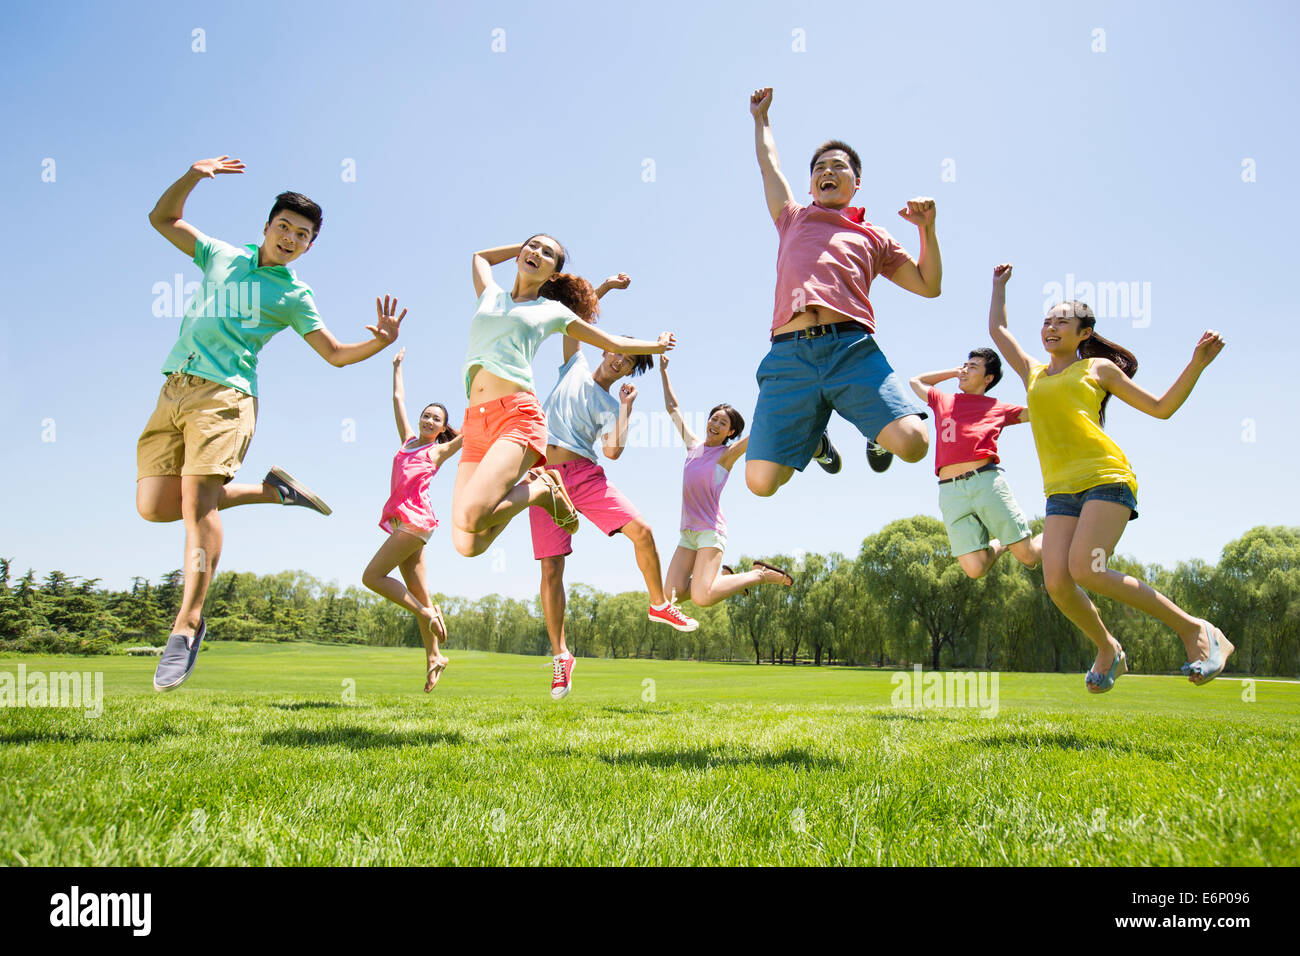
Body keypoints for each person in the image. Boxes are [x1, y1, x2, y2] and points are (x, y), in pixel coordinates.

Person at [138, 155, 405, 692]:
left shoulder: (293, 296)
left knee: (196, 506)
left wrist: (379, 341)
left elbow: (332, 353)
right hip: (173, 391)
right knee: (155, 507)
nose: (290, 237)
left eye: (302, 234)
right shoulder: (221, 255)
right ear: (266, 227)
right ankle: (270, 490)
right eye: (283, 226)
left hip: (227, 397)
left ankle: (187, 623)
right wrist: (194, 176)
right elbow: (162, 219)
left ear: (309, 247)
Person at [988, 263, 1229, 692]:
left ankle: (1196, 630)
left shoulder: (1097, 369)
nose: (1051, 327)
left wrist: (1197, 364)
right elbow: (998, 329)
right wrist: (998, 286)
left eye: (1063, 321)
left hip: (1106, 477)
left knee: (1087, 568)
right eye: (1047, 321)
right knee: (1058, 581)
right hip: (1060, 492)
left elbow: (1161, 408)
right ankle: (1108, 648)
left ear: (1084, 333)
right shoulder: (1033, 372)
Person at [745, 87, 942, 497]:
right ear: (812, 182)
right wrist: (761, 119)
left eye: (838, 166)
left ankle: (876, 431)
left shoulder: (874, 236)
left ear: (856, 181)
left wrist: (926, 229)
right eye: (819, 167)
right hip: (790, 357)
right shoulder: (793, 217)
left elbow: (929, 286)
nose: (827, 171)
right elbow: (769, 165)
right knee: (761, 484)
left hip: (850, 352)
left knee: (914, 443)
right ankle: (816, 440)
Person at [452, 235, 674, 561]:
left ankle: (542, 491)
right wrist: (522, 248)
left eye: (548, 255)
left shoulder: (551, 311)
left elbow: (610, 339)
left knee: (469, 517)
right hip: (474, 421)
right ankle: (545, 492)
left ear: (552, 274)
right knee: (469, 543)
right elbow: (479, 257)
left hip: (516, 417)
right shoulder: (490, 296)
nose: (537, 254)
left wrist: (656, 347)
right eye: (533, 247)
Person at [529, 275, 698, 700]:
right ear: (605, 348)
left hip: (585, 476)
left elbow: (614, 451)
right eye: (618, 353)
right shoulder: (575, 365)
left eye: (627, 362)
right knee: (551, 568)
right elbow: (575, 317)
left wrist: (625, 408)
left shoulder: (610, 404)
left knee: (642, 532)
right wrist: (603, 287)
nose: (619, 362)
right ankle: (561, 657)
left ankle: (659, 603)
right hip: (542, 478)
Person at [361, 348, 462, 691]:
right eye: (426, 416)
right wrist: (396, 367)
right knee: (420, 591)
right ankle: (435, 658)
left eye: (436, 419)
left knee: (372, 577)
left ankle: (425, 614)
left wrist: (490, 404)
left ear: (442, 428)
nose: (429, 421)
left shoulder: (438, 450)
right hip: (404, 522)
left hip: (416, 521)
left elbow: (473, 435)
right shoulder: (407, 441)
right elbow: (398, 398)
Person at [660, 356, 793, 607]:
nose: (716, 424)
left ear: (730, 432)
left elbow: (760, 431)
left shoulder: (725, 456)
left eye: (723, 423)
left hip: (710, 531)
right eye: (714, 418)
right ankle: (723, 578)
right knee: (671, 595)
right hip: (688, 533)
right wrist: (663, 369)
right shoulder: (693, 447)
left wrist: (784, 400)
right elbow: (672, 408)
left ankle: (759, 575)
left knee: (701, 598)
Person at [908, 348, 1043, 579]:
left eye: (973, 367)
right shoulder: (944, 400)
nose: (965, 370)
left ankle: (1056, 526)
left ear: (988, 378)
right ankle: (1004, 541)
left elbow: (1039, 413)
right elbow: (915, 381)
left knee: (1029, 556)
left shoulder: (998, 408)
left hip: (986, 482)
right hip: (951, 492)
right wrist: (953, 372)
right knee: (975, 569)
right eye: (965, 365)